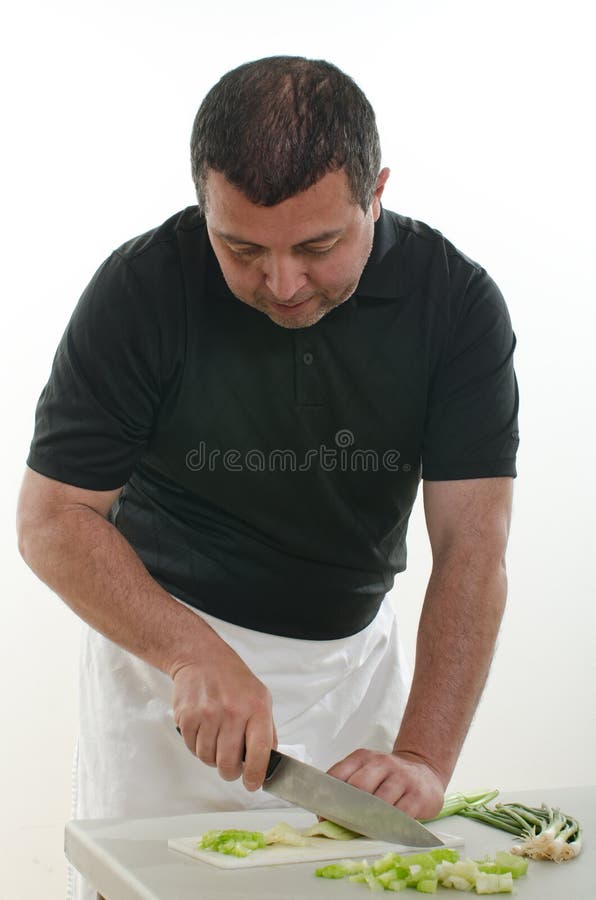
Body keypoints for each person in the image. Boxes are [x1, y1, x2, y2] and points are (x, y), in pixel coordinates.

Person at [17, 56, 519, 900]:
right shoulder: (140, 290)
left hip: (352, 673)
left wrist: (425, 757)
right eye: (241, 247)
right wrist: (188, 653)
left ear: (376, 193)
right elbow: (52, 519)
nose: (282, 284)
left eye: (318, 246)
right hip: (166, 670)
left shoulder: (456, 304)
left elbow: (474, 546)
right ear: (203, 206)